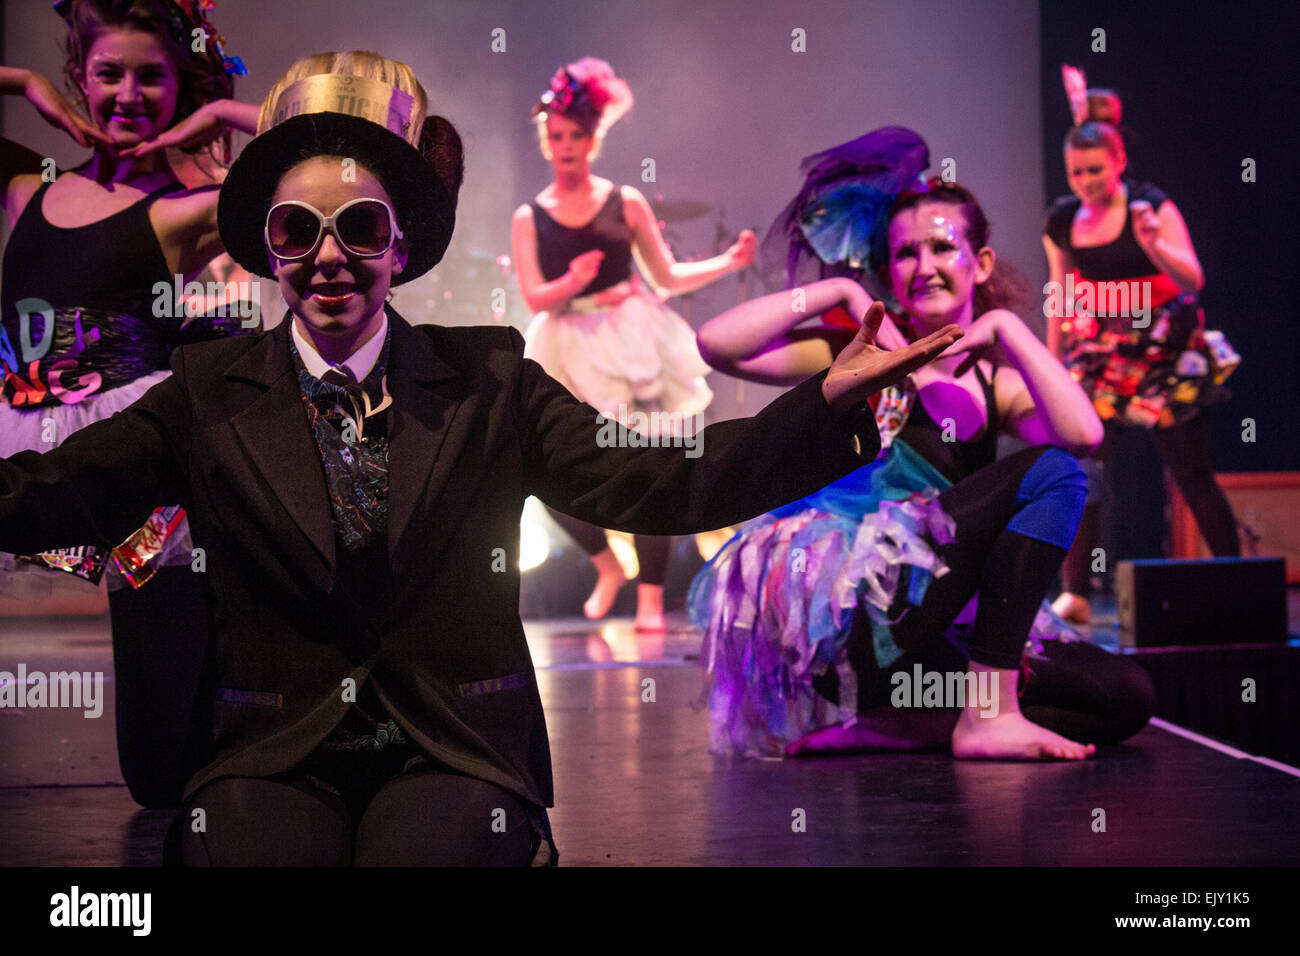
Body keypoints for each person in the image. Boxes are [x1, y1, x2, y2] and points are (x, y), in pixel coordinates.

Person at [0, 55, 961, 865]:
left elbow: (661, 477)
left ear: (401, 243)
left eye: (361, 227)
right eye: (298, 230)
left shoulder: (492, 381)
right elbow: (59, 488)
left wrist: (830, 400)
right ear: (267, 248)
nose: (329, 255)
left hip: (451, 745)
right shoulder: (207, 393)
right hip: (275, 750)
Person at [690, 128, 1155, 761]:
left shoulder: (995, 382)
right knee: (1049, 474)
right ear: (887, 268)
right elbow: (718, 344)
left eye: (943, 246)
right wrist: (837, 292)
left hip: (934, 637)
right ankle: (983, 717)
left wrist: (1006, 329)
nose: (925, 265)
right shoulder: (849, 356)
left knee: (1124, 694)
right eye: (906, 253)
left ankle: (918, 721)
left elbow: (1085, 434)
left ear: (980, 263)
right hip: (857, 622)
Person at [0, 0, 259, 807]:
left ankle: (212, 757)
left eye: (154, 75)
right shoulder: (23, 189)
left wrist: (219, 110)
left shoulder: (185, 210)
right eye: (108, 72)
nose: (130, 92)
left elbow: (345, 138)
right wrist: (27, 85)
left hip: (134, 455)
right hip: (25, 442)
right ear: (83, 77)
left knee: (160, 758)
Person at [511, 57, 756, 631]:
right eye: (556, 136)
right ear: (546, 141)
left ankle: (651, 595)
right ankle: (605, 563)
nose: (565, 145)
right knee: (545, 466)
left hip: (632, 337)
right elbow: (532, 292)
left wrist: (730, 261)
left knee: (651, 463)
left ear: (592, 140)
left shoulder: (625, 201)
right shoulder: (530, 216)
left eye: (575, 135)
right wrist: (569, 284)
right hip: (566, 342)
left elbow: (666, 276)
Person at [1043, 73, 1240, 624]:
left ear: (1119, 159)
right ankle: (1076, 591)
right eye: (1076, 172)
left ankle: (1238, 579)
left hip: (1161, 358)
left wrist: (1154, 243)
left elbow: (1192, 278)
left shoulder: (1150, 207)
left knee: (1191, 473)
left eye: (1096, 170)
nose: (1086, 181)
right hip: (1099, 361)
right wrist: (1052, 367)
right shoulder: (1061, 220)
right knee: (1082, 470)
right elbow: (1059, 296)